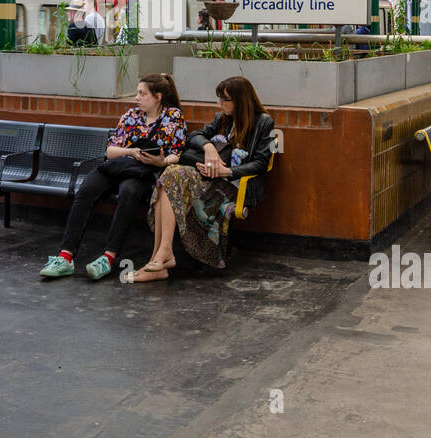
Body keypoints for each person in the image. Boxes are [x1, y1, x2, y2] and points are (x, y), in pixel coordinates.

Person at [39, 74, 187, 281]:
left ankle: (108, 257)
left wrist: (160, 162)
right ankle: (66, 257)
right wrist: (132, 152)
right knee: (86, 190)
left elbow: (176, 153)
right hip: (119, 166)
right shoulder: (130, 116)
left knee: (129, 192)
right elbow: (110, 151)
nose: (137, 98)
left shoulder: (173, 117)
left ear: (158, 97)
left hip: (144, 172)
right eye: (137, 93)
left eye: (142, 93)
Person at [130, 76, 275, 282]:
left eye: (224, 100)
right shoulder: (222, 119)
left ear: (240, 100)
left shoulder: (264, 123)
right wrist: (209, 149)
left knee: (169, 179)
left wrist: (227, 172)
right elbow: (194, 136)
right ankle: (162, 255)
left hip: (233, 184)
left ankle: (159, 258)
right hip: (208, 178)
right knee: (171, 175)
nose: (220, 104)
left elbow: (261, 162)